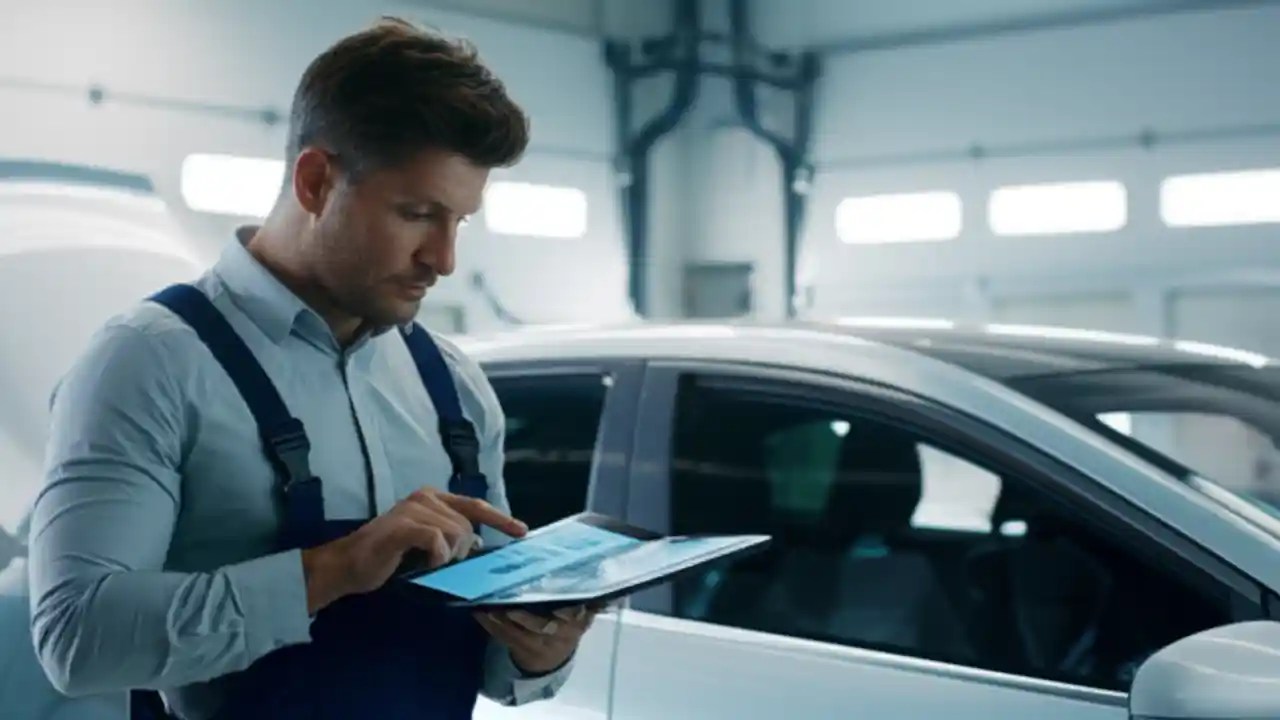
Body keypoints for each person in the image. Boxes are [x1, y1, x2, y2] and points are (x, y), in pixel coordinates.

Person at [26, 17, 598, 720]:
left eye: (460, 223)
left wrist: (540, 650)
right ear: (316, 180)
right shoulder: (149, 362)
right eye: (417, 214)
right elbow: (76, 638)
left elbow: (496, 671)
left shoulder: (457, 389)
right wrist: (332, 571)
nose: (444, 259)